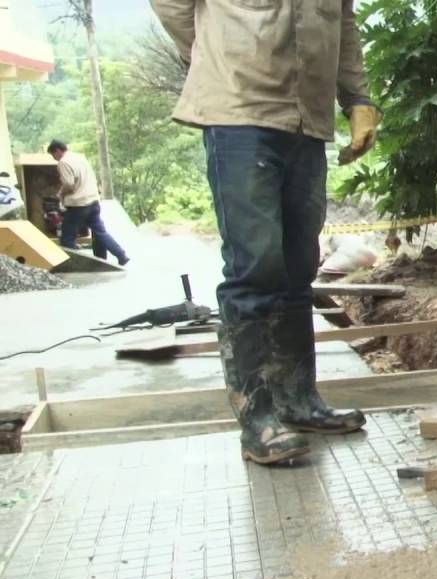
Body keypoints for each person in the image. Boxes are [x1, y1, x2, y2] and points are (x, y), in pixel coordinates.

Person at [152, 0, 380, 465]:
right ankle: (257, 418)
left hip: (308, 120)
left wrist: (358, 98)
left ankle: (299, 402)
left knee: (298, 267)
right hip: (240, 111)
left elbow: (344, 22)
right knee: (255, 266)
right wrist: (213, 57)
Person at [46, 140, 129, 266]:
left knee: (67, 237)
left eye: (54, 155)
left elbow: (69, 183)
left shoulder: (63, 162)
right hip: (93, 201)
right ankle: (119, 255)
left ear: (58, 150)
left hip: (78, 205)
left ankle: (75, 264)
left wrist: (60, 194)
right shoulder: (80, 158)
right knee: (100, 233)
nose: (55, 159)